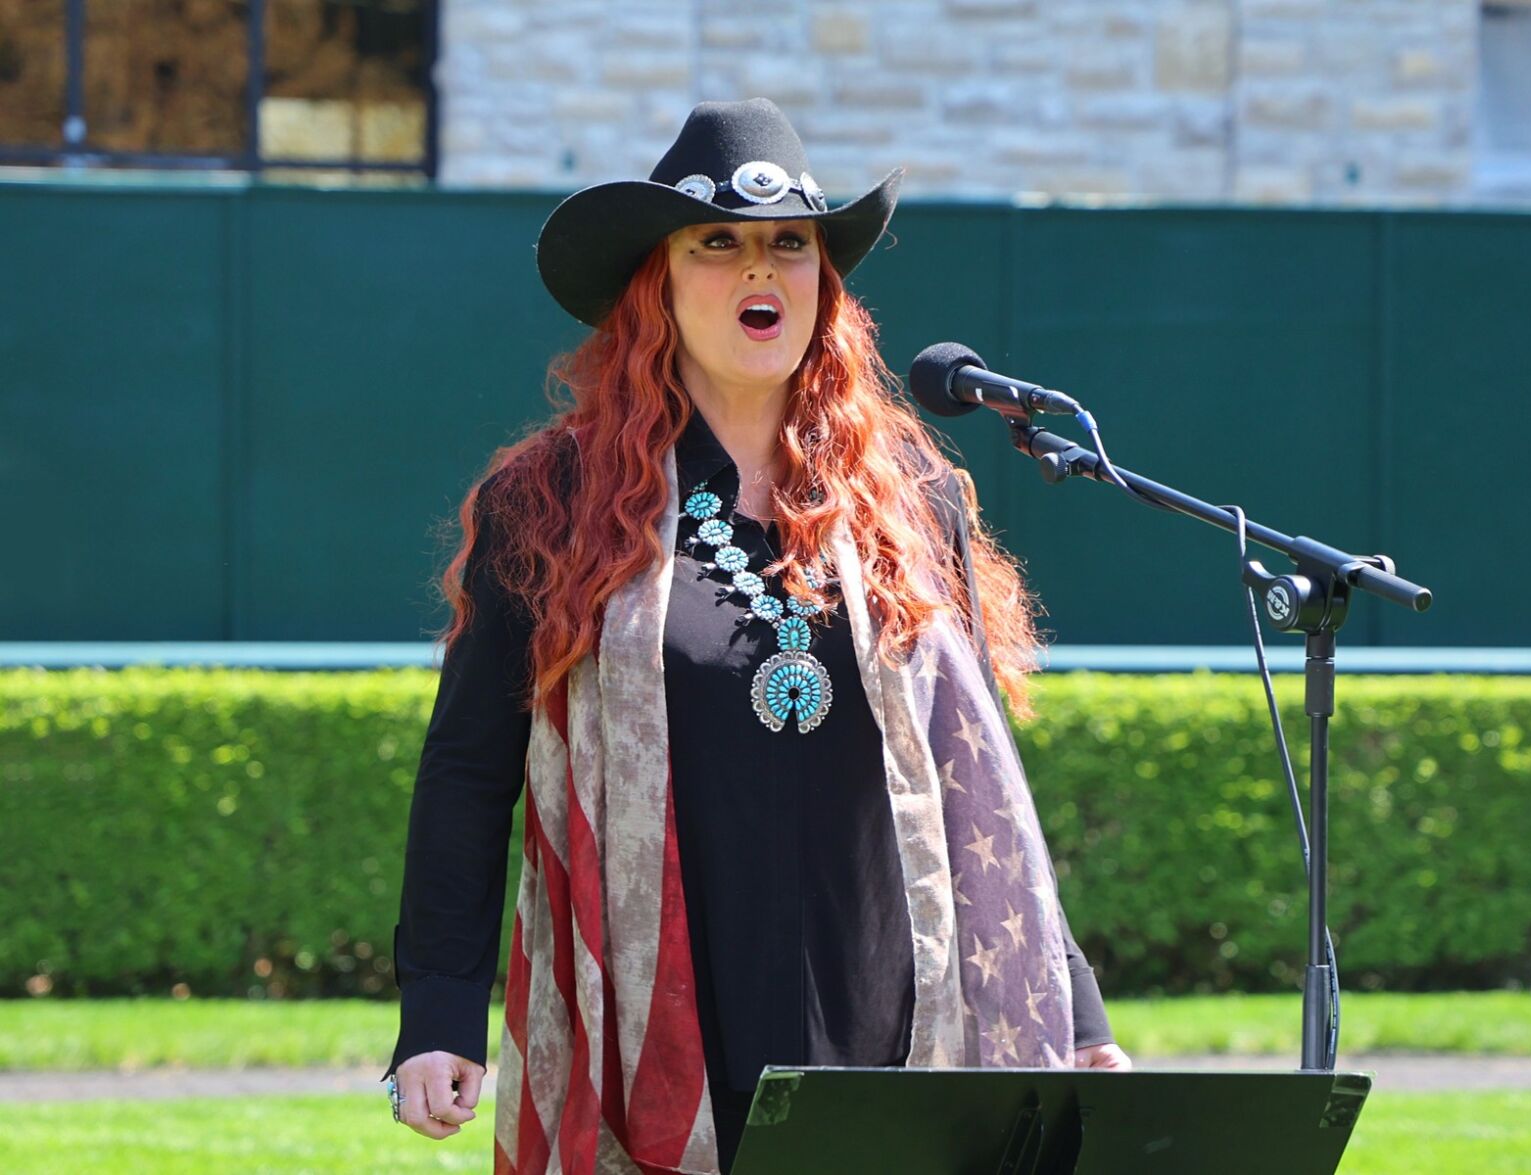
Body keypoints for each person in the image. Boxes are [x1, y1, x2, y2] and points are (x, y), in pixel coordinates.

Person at [382, 97, 1130, 1175]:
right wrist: (439, 1009)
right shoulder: (552, 498)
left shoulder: (909, 495)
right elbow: (465, 770)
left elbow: (983, 790)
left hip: (894, 1029)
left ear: (824, 282)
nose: (758, 270)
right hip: (661, 1039)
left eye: (790, 243)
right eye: (716, 243)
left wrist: (1075, 1001)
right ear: (657, 282)